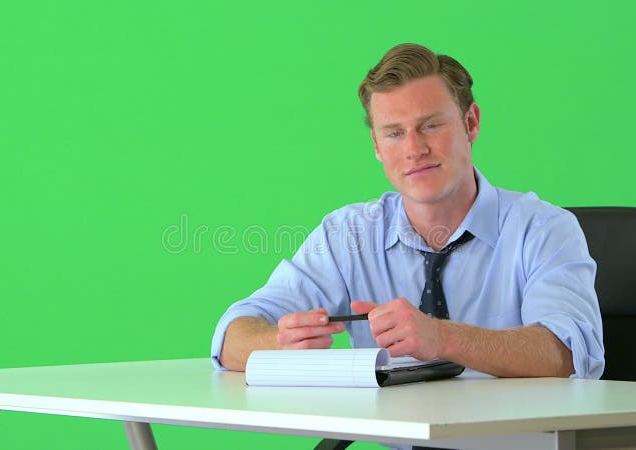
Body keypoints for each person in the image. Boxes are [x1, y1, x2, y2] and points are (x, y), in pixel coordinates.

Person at [210, 43, 604, 379]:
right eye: (395, 133)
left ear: (471, 122)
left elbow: (569, 353)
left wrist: (441, 338)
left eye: (430, 126)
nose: (414, 149)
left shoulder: (545, 229)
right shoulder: (347, 235)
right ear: (377, 147)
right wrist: (278, 344)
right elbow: (231, 338)